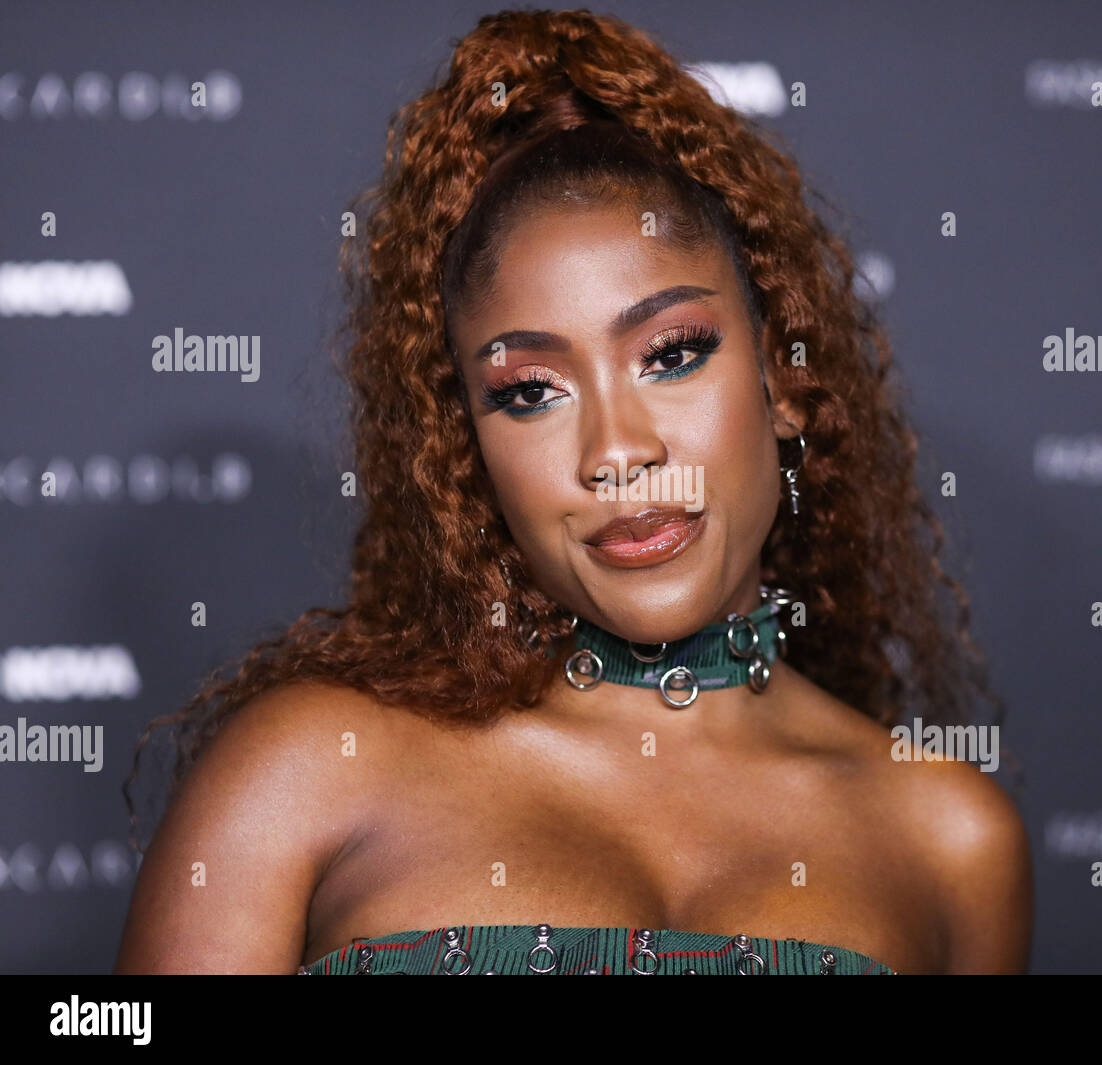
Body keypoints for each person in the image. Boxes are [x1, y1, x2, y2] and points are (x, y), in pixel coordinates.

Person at [115, 7, 1031, 976]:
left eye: (671, 354)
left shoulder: (948, 841)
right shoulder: (303, 771)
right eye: (529, 392)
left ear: (788, 384)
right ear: (467, 445)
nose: (616, 451)